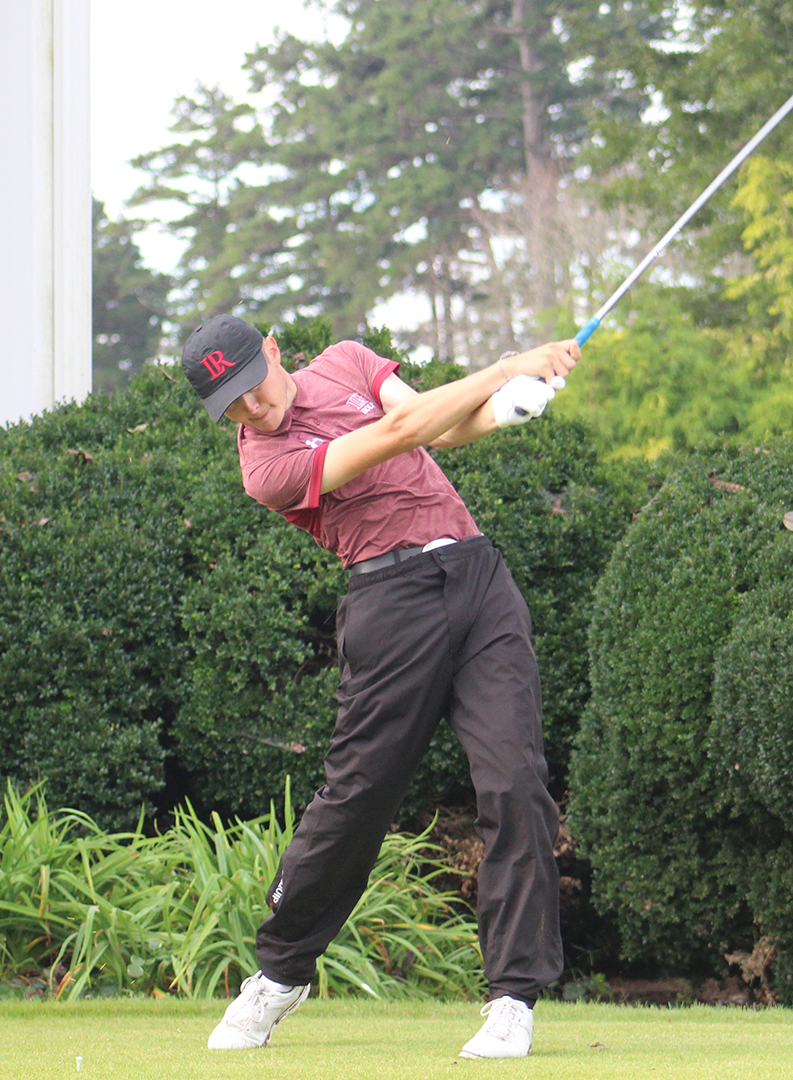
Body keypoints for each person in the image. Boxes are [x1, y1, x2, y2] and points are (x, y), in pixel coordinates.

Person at [181, 314, 578, 1059]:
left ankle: (512, 998)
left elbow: (438, 427)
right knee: (358, 799)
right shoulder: (265, 467)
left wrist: (505, 408)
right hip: (391, 605)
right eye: (230, 404)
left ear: (272, 350)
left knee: (516, 782)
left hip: (477, 578)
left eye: (252, 385)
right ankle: (280, 973)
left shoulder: (346, 361)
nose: (250, 408)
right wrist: (505, 367)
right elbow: (400, 434)